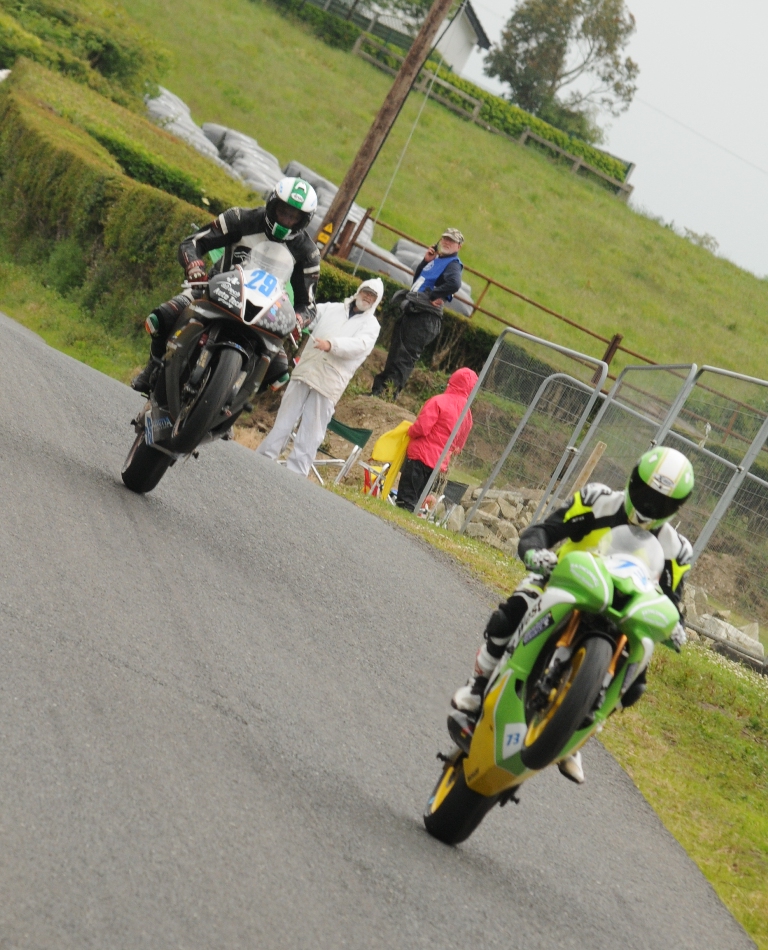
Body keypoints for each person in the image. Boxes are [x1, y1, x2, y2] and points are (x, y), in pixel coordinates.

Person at [450, 446, 695, 784]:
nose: (649, 506)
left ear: (677, 508)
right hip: (563, 580)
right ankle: (478, 686)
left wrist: (676, 627)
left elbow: (672, 598)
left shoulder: (677, 550)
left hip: (625, 609)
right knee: (513, 612)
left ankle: (578, 726)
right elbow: (546, 530)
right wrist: (535, 552)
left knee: (636, 684)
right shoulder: (598, 500)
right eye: (645, 493)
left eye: (662, 503)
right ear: (632, 481)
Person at [131, 177, 321, 394]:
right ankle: (153, 367)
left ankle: (235, 404)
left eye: (293, 217)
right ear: (272, 204)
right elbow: (193, 242)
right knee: (162, 317)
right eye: (282, 211)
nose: (286, 220)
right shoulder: (241, 218)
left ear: (303, 221)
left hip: (266, 313)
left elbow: (308, 305)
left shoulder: (308, 252)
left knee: (279, 374)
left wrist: (299, 319)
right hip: (216, 290)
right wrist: (194, 265)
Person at [256, 278, 383, 477]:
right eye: (366, 292)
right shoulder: (332, 308)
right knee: (284, 417)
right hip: (306, 369)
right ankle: (264, 456)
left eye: (372, 296)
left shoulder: (371, 326)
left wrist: (331, 345)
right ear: (359, 291)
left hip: (329, 381)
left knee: (312, 429)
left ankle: (296, 472)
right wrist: (297, 319)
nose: (367, 297)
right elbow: (310, 316)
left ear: (376, 301)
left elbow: (359, 346)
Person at [371, 228, 465, 399]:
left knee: (403, 358)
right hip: (414, 310)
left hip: (425, 315)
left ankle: (387, 395)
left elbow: (454, 284)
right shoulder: (437, 260)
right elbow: (418, 283)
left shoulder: (453, 263)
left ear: (459, 246)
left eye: (451, 241)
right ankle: (378, 392)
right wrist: (425, 262)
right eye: (445, 238)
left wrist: (434, 295)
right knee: (395, 353)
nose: (446, 242)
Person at [395, 367, 478, 512]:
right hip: (438, 464)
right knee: (418, 499)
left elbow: (422, 428)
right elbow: (458, 448)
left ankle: (399, 515)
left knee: (406, 499)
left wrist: (410, 431)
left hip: (420, 456)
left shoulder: (438, 401)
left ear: (452, 381)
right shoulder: (468, 415)